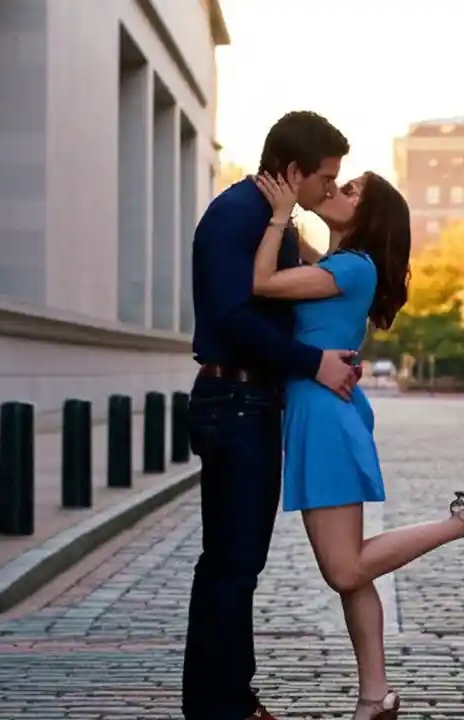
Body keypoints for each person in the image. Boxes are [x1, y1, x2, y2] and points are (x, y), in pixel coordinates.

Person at [250, 169, 464, 720]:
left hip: (325, 421)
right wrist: (287, 209)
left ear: (367, 217)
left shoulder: (351, 266)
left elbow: (264, 285)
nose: (337, 190)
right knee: (354, 570)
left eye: (350, 191)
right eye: (338, 182)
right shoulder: (332, 261)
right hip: (319, 414)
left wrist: (278, 218)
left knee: (345, 569)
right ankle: (376, 697)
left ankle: (462, 521)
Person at [183, 111, 361, 720]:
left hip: (248, 401)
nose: (329, 191)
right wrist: (312, 362)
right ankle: (222, 706)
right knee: (232, 565)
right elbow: (235, 317)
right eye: (324, 179)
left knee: (235, 564)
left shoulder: (271, 221)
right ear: (291, 172)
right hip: (234, 401)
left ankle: (226, 697)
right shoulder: (239, 215)